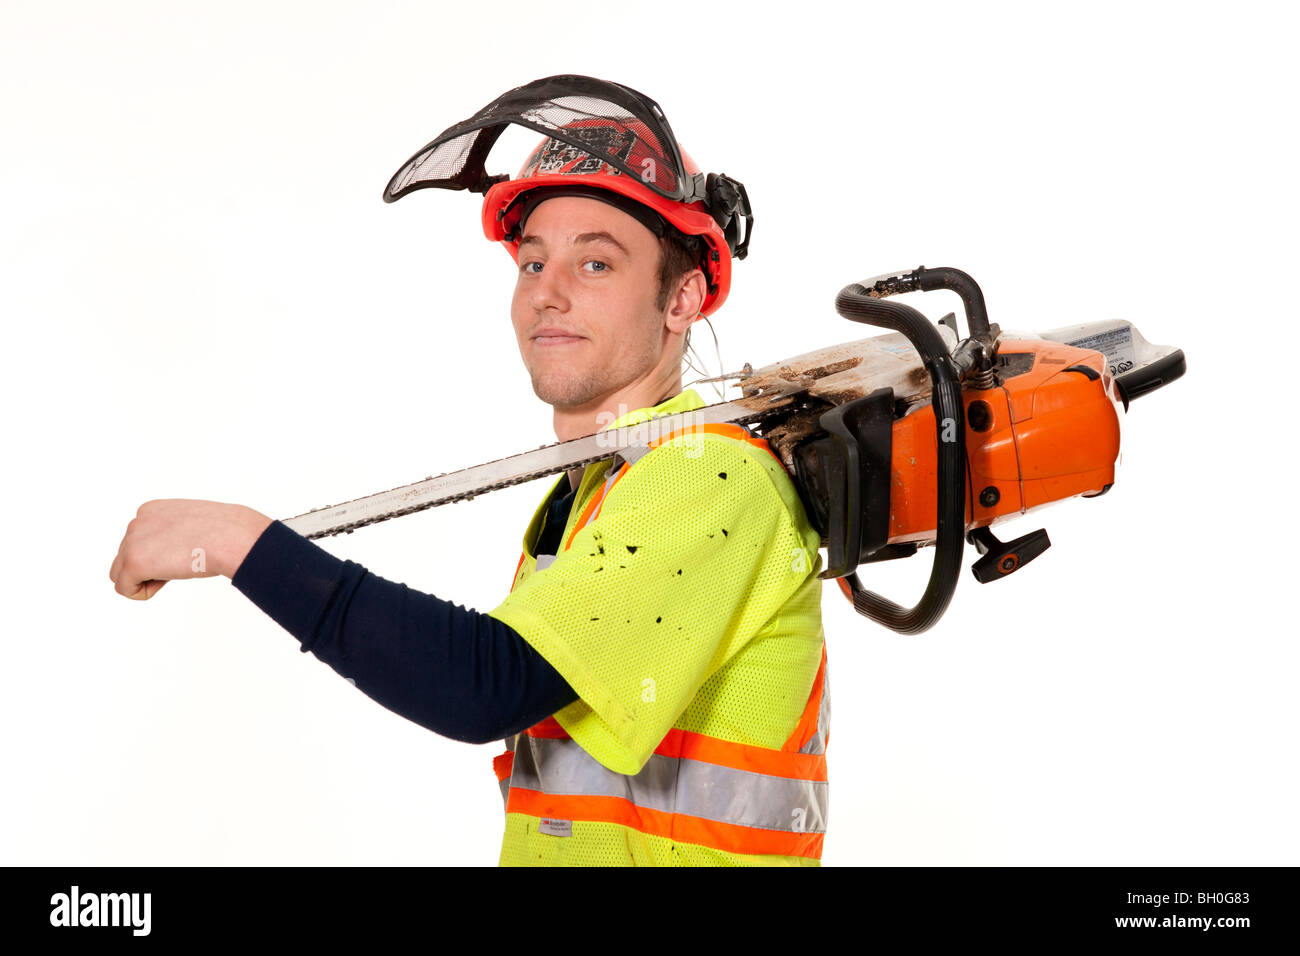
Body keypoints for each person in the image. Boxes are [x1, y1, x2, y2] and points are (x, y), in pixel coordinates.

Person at [109, 75, 829, 866]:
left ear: (683, 298)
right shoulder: (602, 489)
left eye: (595, 265)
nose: (546, 294)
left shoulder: (709, 477)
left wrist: (239, 540)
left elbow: (484, 683)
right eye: (531, 263)